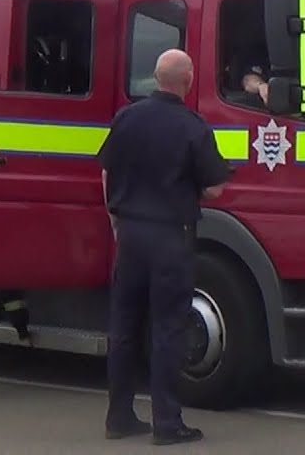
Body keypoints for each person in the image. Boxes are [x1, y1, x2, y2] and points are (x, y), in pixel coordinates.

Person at [97, 49, 230, 446]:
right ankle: (167, 423)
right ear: (187, 80)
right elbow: (215, 186)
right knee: (168, 329)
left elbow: (106, 172)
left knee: (123, 328)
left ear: (156, 78)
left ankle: (119, 416)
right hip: (170, 236)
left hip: (131, 235)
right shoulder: (193, 127)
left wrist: (116, 221)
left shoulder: (126, 117)